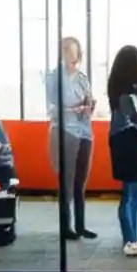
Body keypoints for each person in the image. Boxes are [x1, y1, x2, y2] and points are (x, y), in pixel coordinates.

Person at [106, 45, 137, 257]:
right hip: (132, 141)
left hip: (120, 140)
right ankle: (131, 239)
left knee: (130, 193)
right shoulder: (130, 92)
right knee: (133, 194)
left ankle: (131, 237)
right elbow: (136, 117)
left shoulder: (118, 89)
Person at [46, 36, 96, 241]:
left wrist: (89, 104)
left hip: (84, 131)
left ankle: (81, 225)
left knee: (80, 182)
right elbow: (51, 108)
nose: (72, 58)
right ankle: (65, 227)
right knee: (66, 182)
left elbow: (89, 102)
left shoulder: (83, 77)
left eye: (75, 54)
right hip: (65, 130)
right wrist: (71, 109)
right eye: (68, 53)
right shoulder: (54, 77)